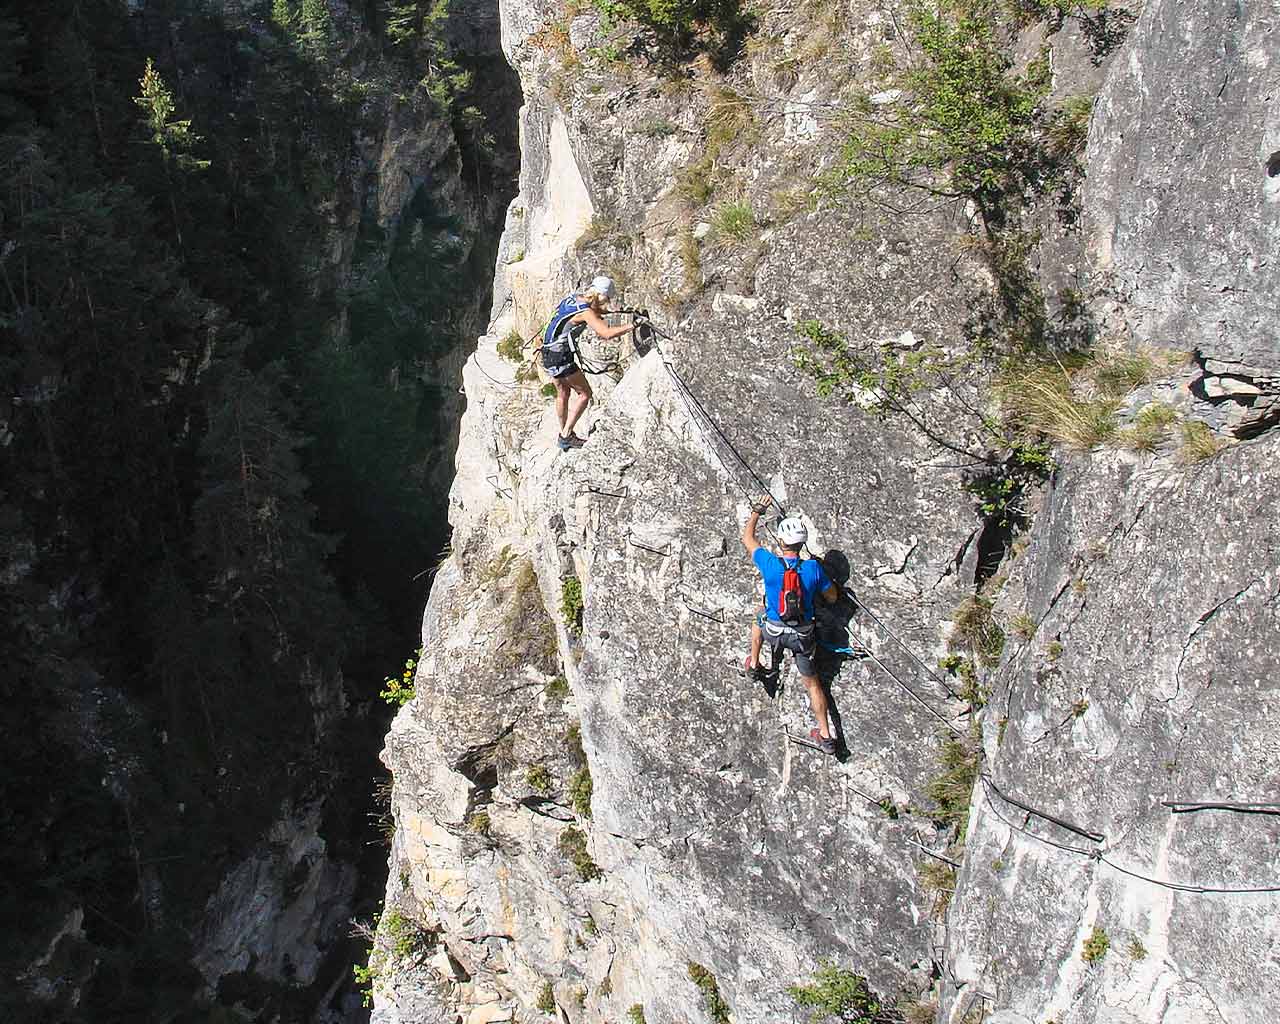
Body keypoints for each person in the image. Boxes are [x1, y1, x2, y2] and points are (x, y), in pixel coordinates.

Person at [741, 499, 840, 753]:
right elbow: (832, 598)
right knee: (815, 685)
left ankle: (754, 664)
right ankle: (826, 735)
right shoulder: (813, 569)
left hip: (773, 629)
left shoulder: (770, 564)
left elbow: (748, 539)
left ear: (782, 542)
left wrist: (756, 512)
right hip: (801, 637)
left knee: (759, 615)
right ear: (802, 543)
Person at [540, 275, 636, 451]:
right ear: (602, 296)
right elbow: (605, 333)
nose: (607, 302)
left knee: (563, 393)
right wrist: (632, 326)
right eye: (607, 299)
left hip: (548, 353)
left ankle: (564, 432)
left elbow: (580, 314)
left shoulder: (573, 298)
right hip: (561, 356)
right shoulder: (586, 311)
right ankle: (566, 436)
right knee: (585, 394)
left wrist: (611, 312)